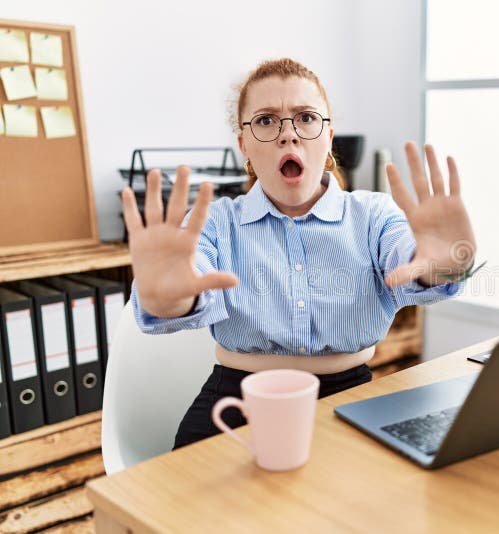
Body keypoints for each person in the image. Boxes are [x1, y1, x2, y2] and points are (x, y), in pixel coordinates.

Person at [120, 58, 477, 449]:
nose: (288, 135)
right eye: (266, 120)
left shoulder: (374, 214)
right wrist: (169, 298)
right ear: (244, 144)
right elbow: (187, 283)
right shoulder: (215, 222)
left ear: (328, 138)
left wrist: (445, 264)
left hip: (348, 396)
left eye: (306, 118)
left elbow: (414, 262)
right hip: (235, 401)